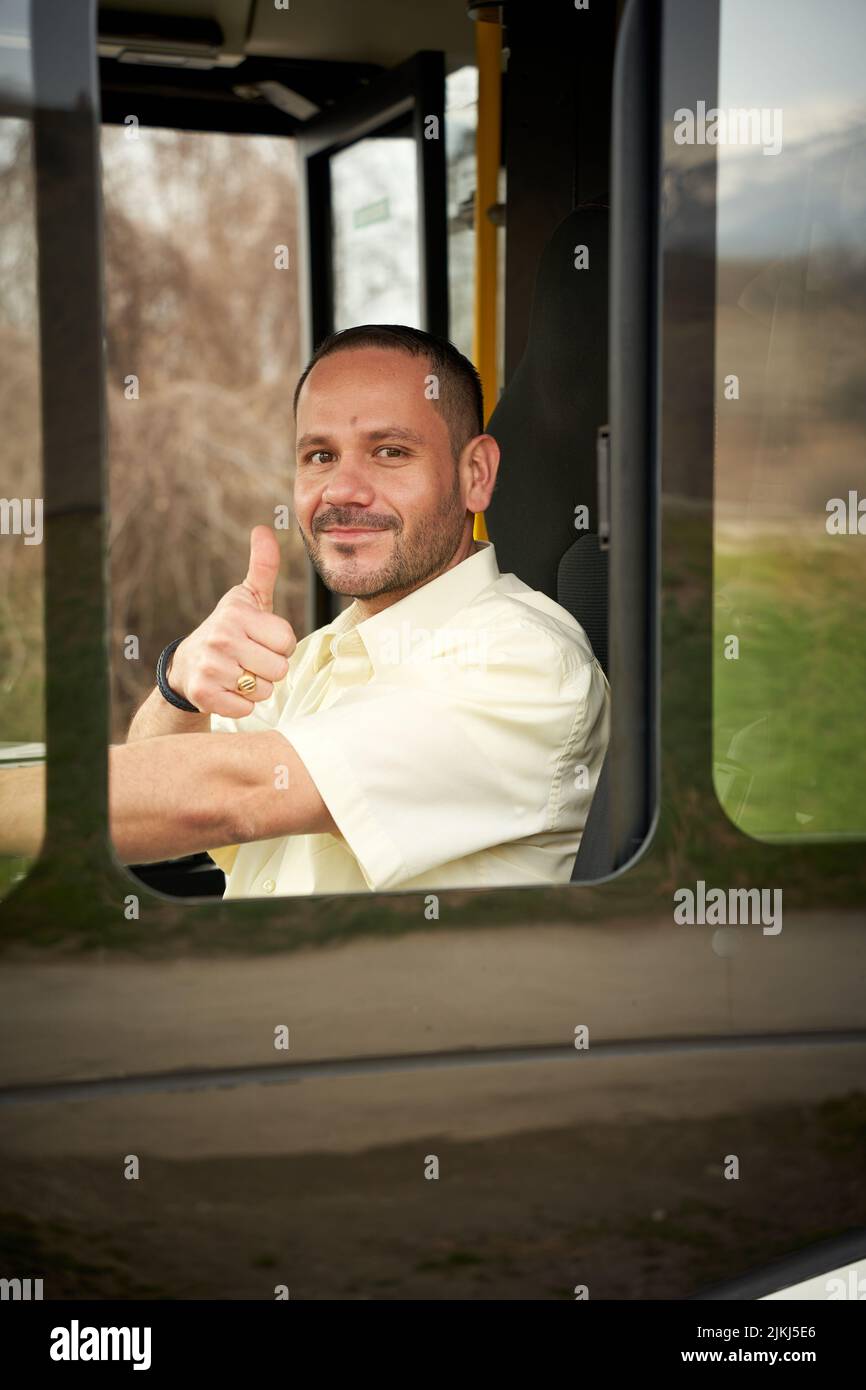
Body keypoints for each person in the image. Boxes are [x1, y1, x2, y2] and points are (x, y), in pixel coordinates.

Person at [8, 325, 610, 894]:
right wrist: (179, 684)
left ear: (474, 474)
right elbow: (149, 806)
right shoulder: (312, 656)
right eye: (320, 456)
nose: (343, 489)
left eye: (390, 451)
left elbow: (227, 795)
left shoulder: (525, 661)